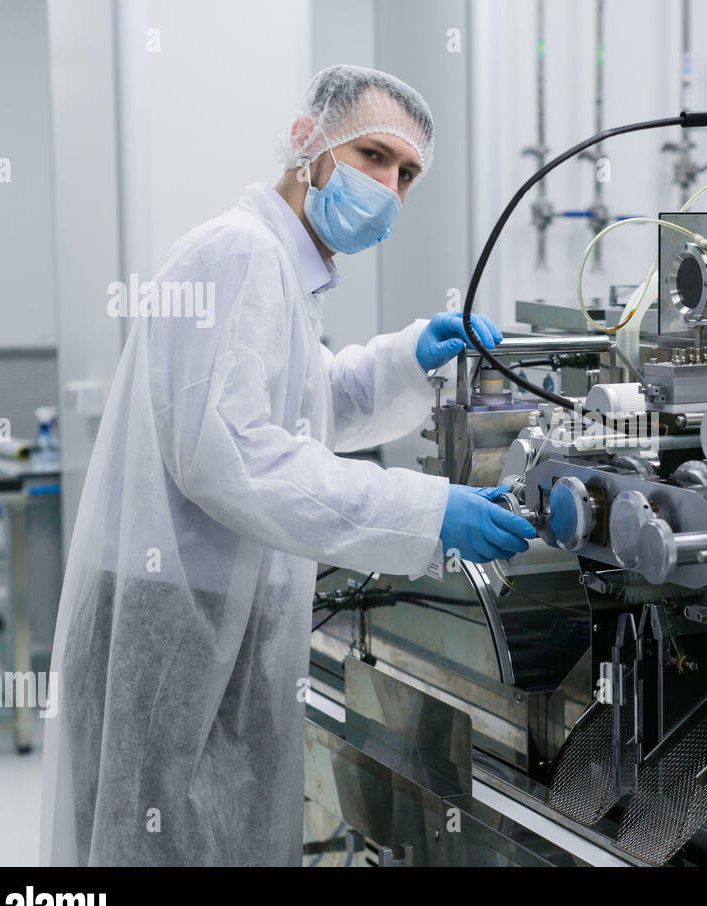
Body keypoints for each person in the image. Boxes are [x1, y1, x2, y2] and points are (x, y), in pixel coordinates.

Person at [40, 65, 536, 865]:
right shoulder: (238, 254)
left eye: (407, 175)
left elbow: (309, 407)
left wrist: (406, 358)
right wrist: (427, 511)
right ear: (308, 140)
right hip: (172, 620)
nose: (391, 188)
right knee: (162, 844)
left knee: (211, 838)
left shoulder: (280, 266)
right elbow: (232, 453)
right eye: (375, 156)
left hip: (209, 612)